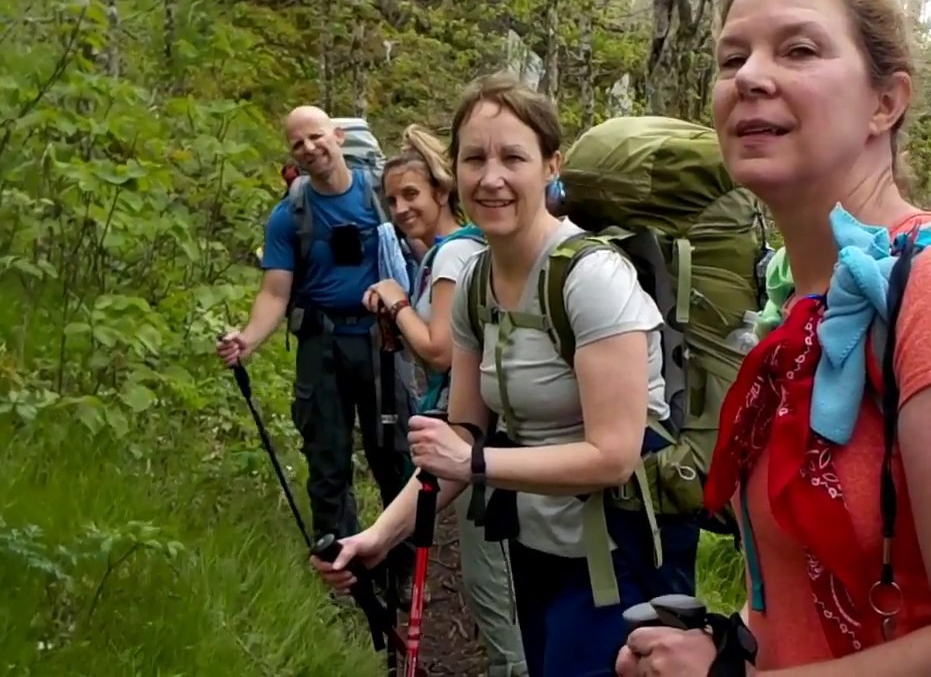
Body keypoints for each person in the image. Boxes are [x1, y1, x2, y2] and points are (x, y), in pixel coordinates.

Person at [617, 0, 931, 675]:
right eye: (732, 57)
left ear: (885, 102)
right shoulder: (798, 303)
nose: (750, 77)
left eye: (798, 49)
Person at [311, 73, 700, 677]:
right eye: (474, 158)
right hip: (537, 549)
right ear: (456, 172)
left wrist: (477, 463)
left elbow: (613, 455)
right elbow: (462, 437)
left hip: (619, 559)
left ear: (551, 165)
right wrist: (377, 538)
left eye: (512, 157)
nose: (491, 177)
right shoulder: (473, 284)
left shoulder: (593, 278)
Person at [358, 124, 529, 677]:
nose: (401, 208)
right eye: (391, 199)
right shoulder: (457, 251)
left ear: (441, 191)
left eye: (412, 194)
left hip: (465, 430)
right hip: (467, 430)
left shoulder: (455, 254)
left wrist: (398, 300)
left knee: (496, 594)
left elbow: (438, 350)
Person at [217, 106, 413, 580]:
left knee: (395, 455)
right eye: (297, 144)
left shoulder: (380, 199)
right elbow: (275, 291)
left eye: (315, 137)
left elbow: (422, 252)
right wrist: (248, 339)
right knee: (327, 461)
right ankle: (342, 571)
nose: (309, 148)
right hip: (320, 346)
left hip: (382, 339)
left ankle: (404, 571)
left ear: (338, 136)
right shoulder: (290, 215)